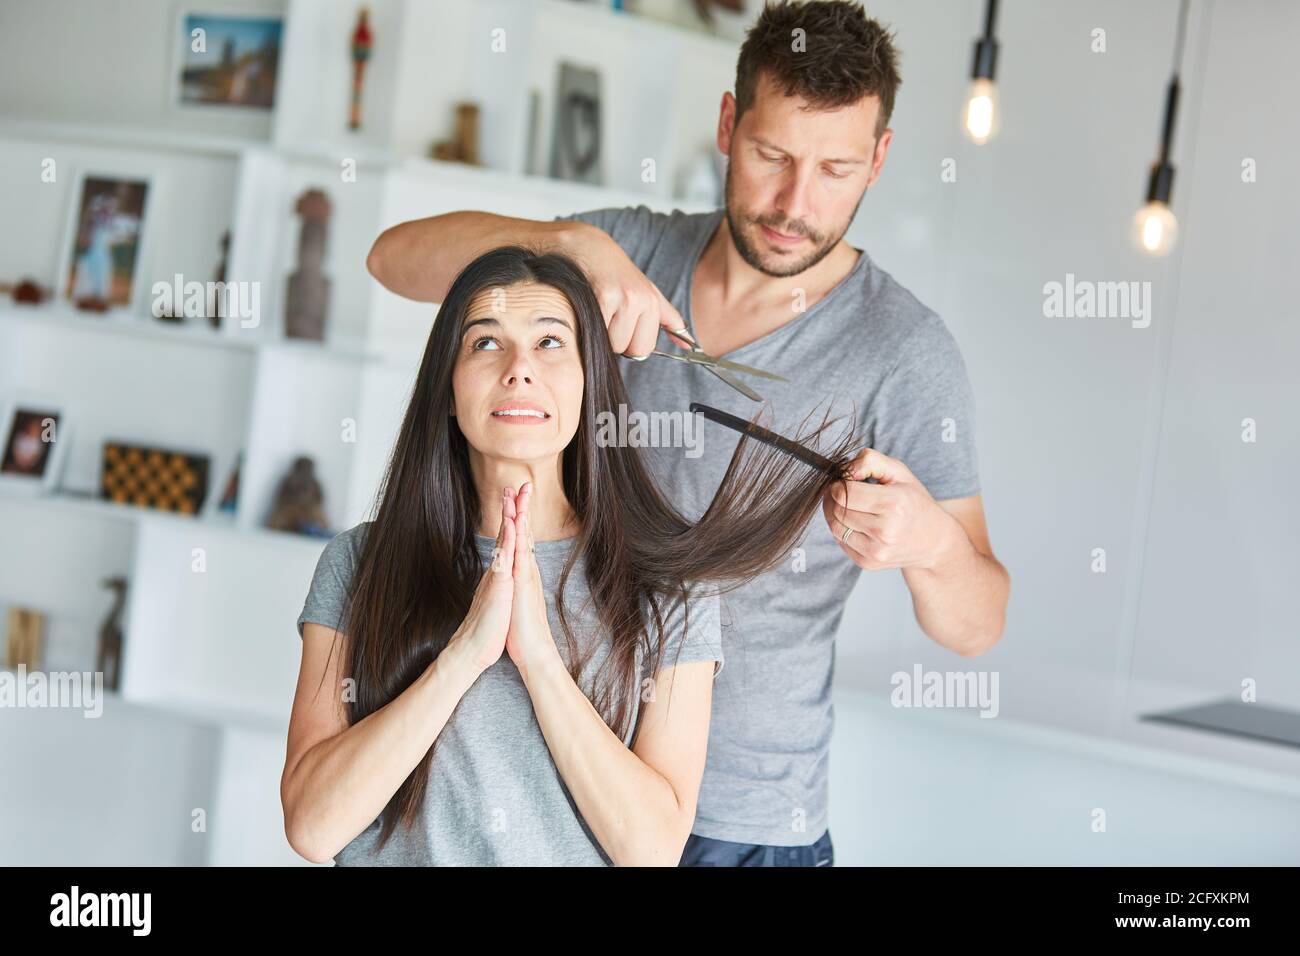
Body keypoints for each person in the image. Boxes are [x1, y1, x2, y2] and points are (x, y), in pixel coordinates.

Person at [365, 0, 1011, 866]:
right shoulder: (624, 250)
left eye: (835, 170)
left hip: (742, 821)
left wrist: (929, 544)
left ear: (879, 159)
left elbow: (976, 627)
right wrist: (572, 245)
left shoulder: (904, 350)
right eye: (772, 156)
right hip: (570, 788)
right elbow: (394, 259)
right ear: (728, 124)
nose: (795, 203)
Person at [281, 245, 860, 866]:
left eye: (551, 342)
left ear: (590, 386)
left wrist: (538, 658)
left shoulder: (671, 588)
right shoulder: (360, 562)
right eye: (485, 342)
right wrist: (464, 654)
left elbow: (652, 850)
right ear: (447, 389)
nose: (519, 369)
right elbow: (312, 826)